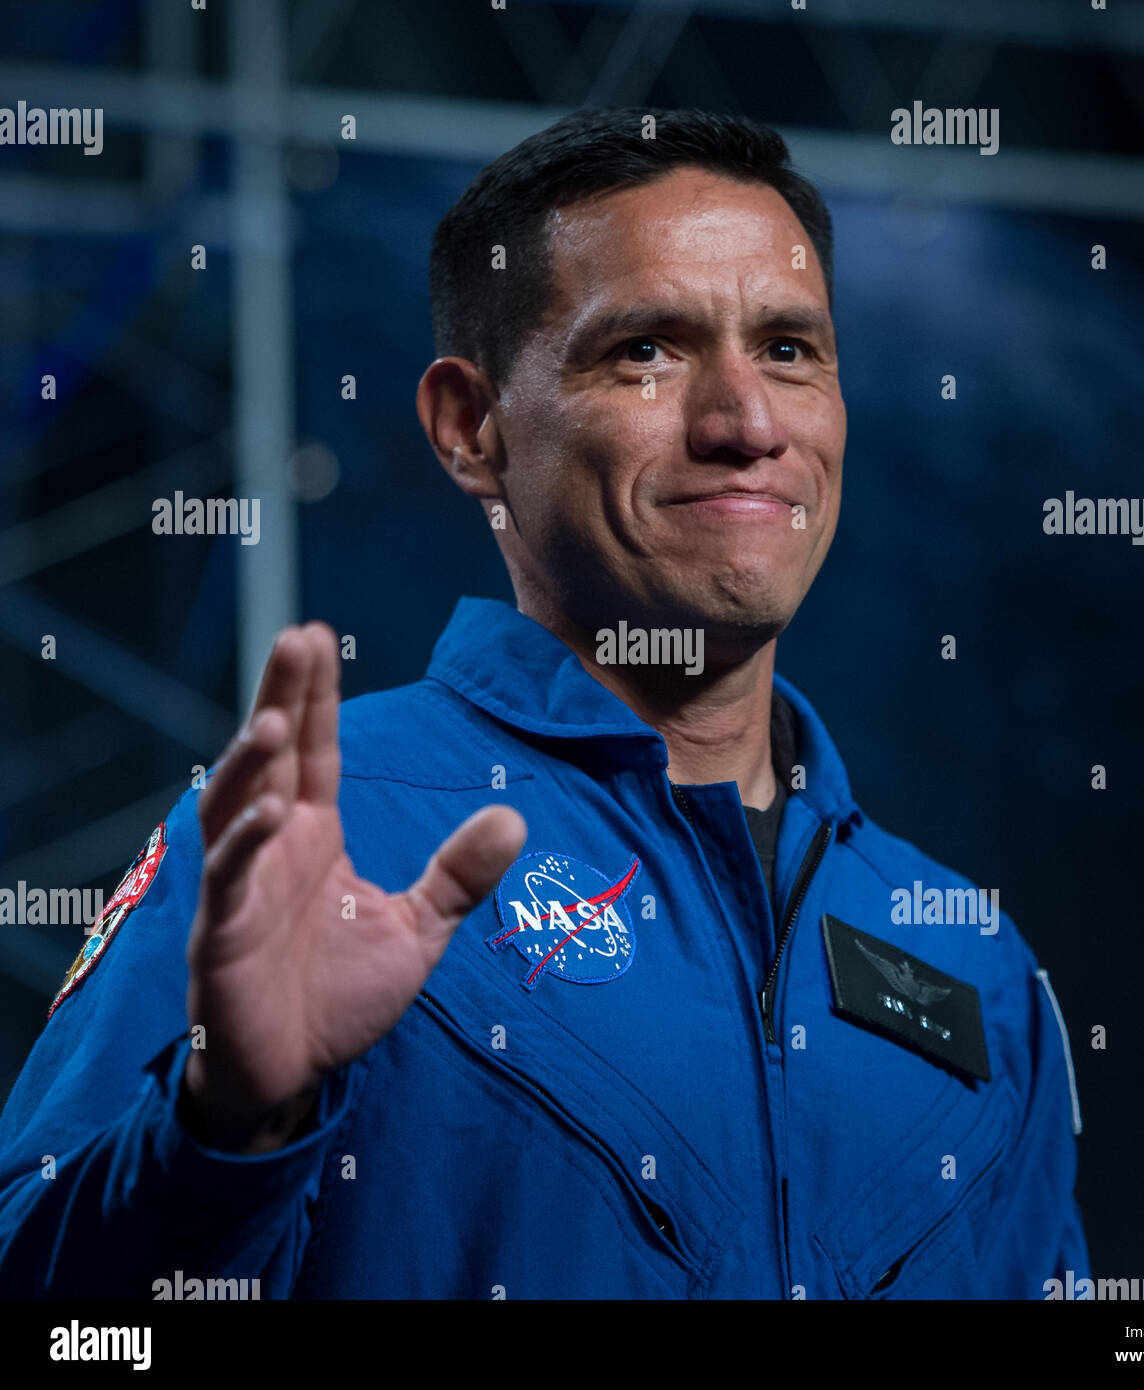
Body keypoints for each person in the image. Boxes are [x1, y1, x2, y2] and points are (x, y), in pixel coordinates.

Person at [0, 107, 1088, 1299]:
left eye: (788, 349)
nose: (745, 423)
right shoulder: (321, 834)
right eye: (645, 351)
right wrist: (224, 1130)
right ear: (471, 429)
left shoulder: (968, 952)